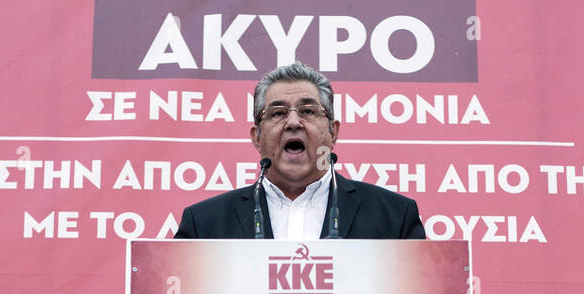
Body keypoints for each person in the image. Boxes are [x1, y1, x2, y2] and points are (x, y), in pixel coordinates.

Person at [174, 62, 425, 240]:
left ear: (333, 132)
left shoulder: (395, 218)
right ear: (257, 138)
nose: (293, 123)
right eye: (278, 113)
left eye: (308, 111)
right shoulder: (204, 225)